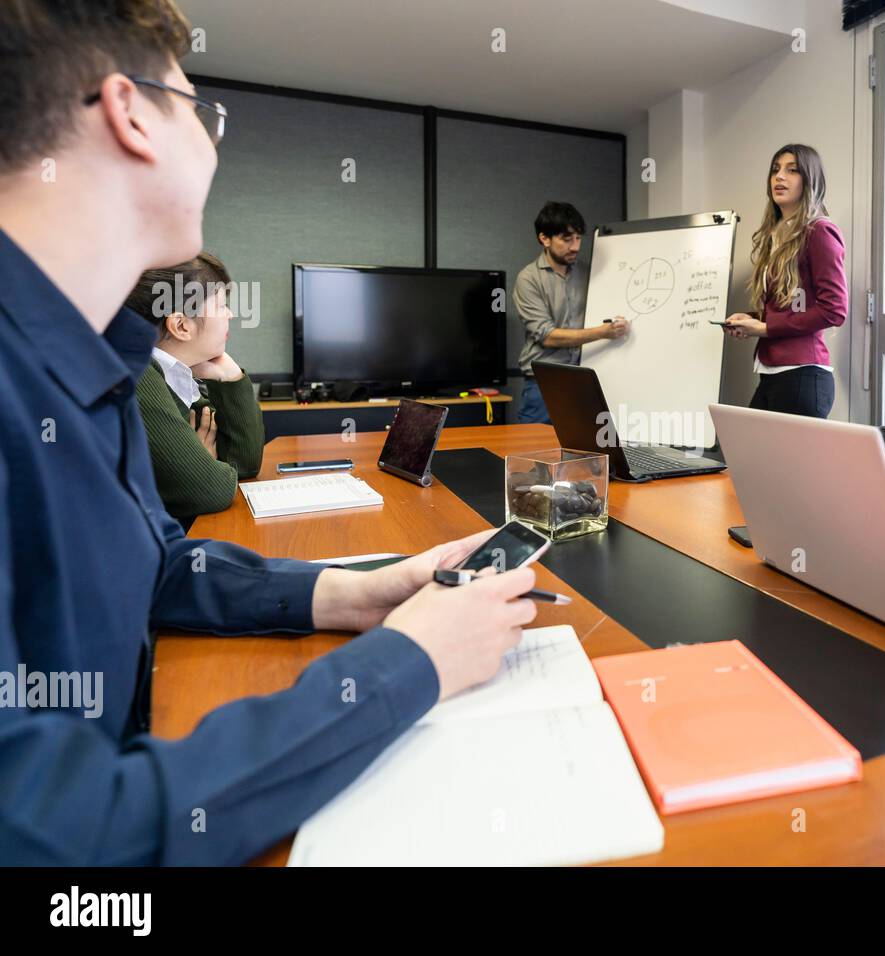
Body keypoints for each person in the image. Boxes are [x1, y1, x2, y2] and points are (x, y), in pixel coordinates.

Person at [0, 0, 537, 864]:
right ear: (131, 115)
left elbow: (158, 566)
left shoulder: (94, 359)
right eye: (200, 110)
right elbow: (52, 833)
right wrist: (408, 667)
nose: (216, 143)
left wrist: (359, 593)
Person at [125, 251, 264, 527]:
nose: (231, 314)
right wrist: (205, 468)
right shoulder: (138, 377)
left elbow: (244, 464)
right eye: (222, 305)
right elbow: (211, 491)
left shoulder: (176, 374)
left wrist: (230, 377)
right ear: (181, 325)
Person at [723, 144, 848, 418]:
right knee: (753, 457)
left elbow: (834, 310)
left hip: (802, 375)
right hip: (773, 372)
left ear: (809, 180)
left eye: (792, 171)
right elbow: (791, 307)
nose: (780, 177)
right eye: (775, 170)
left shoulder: (820, 232)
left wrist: (766, 328)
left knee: (770, 459)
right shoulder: (777, 234)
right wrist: (751, 320)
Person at [513, 201, 628, 423]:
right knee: (535, 452)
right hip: (544, 384)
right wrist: (604, 332)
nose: (575, 246)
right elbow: (548, 336)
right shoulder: (528, 279)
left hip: (585, 378)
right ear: (544, 238)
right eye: (566, 239)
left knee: (582, 452)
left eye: (578, 238)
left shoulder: (589, 274)